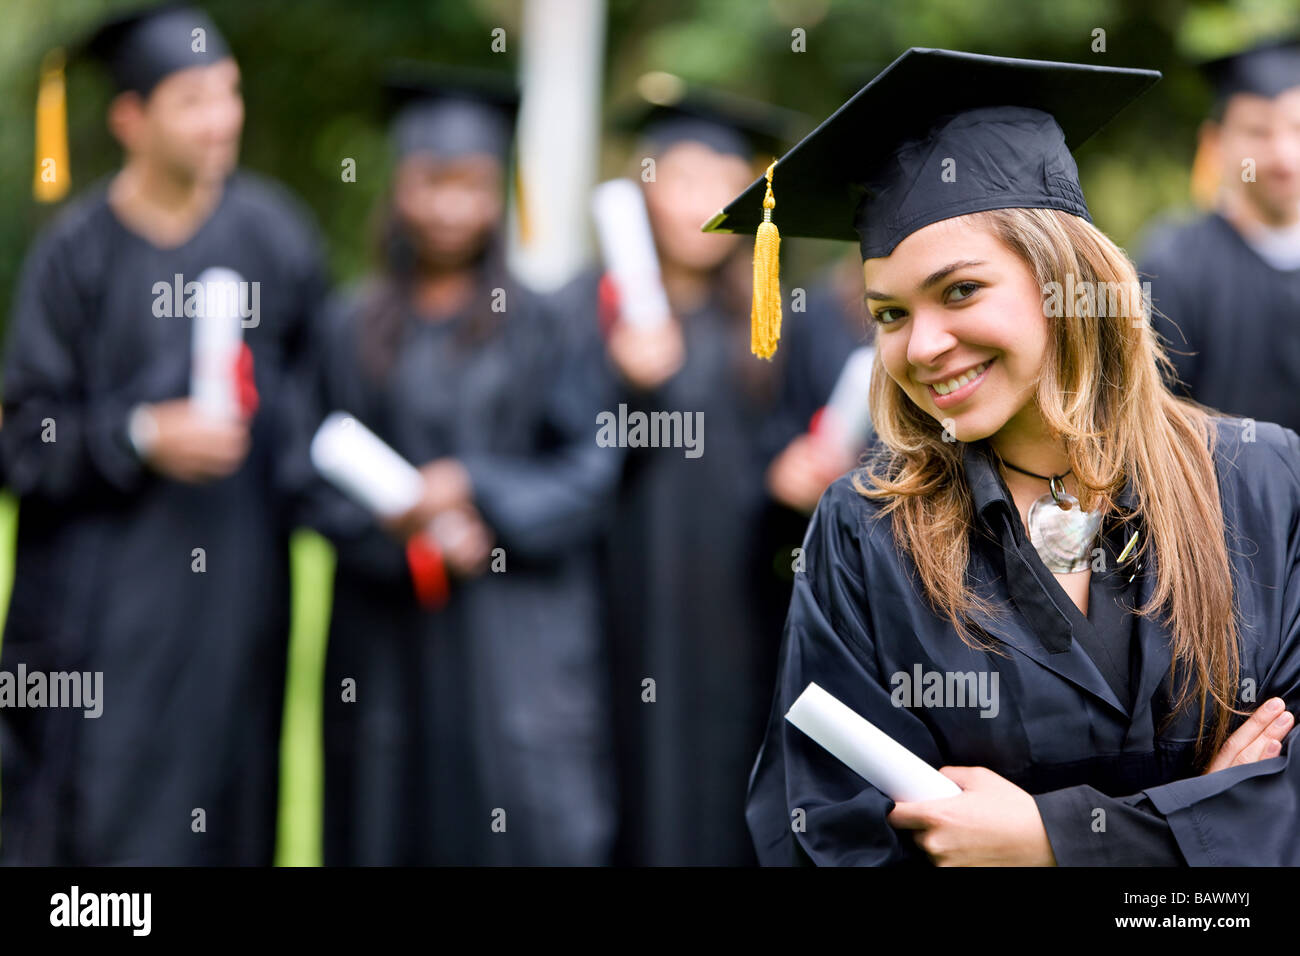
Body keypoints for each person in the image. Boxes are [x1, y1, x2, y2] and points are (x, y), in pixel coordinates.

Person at [709, 48, 1300, 866]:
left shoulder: (1264, 482)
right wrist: (1205, 827)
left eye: (959, 291)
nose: (922, 345)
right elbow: (821, 834)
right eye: (888, 313)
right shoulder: (868, 532)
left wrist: (1049, 844)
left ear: (1065, 275)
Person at [0, 5, 327, 864]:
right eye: (192, 99)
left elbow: (317, 419)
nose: (222, 117)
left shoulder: (277, 236)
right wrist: (141, 434)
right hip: (98, 615)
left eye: (230, 92)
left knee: (228, 812)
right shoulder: (73, 255)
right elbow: (23, 443)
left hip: (234, 604)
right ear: (131, 119)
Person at [303, 68, 618, 866]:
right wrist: (402, 536)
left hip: (519, 644)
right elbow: (302, 475)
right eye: (430, 182)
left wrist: (476, 486)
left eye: (472, 184)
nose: (449, 207)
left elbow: (591, 473)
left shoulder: (545, 323)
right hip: (385, 643)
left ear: (497, 193)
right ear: (398, 185)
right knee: (385, 818)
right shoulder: (348, 325)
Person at [582, 79, 802, 865]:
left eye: (722, 180)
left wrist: (794, 485)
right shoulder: (589, 313)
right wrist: (625, 386)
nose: (700, 203)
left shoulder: (776, 321)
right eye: (679, 179)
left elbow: (806, 457)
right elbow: (568, 455)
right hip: (617, 597)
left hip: (741, 607)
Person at [1140, 38, 1300, 434]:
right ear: (1215, 143)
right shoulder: (1172, 266)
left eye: (1298, 128)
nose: (1283, 155)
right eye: (1258, 132)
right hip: (1212, 493)